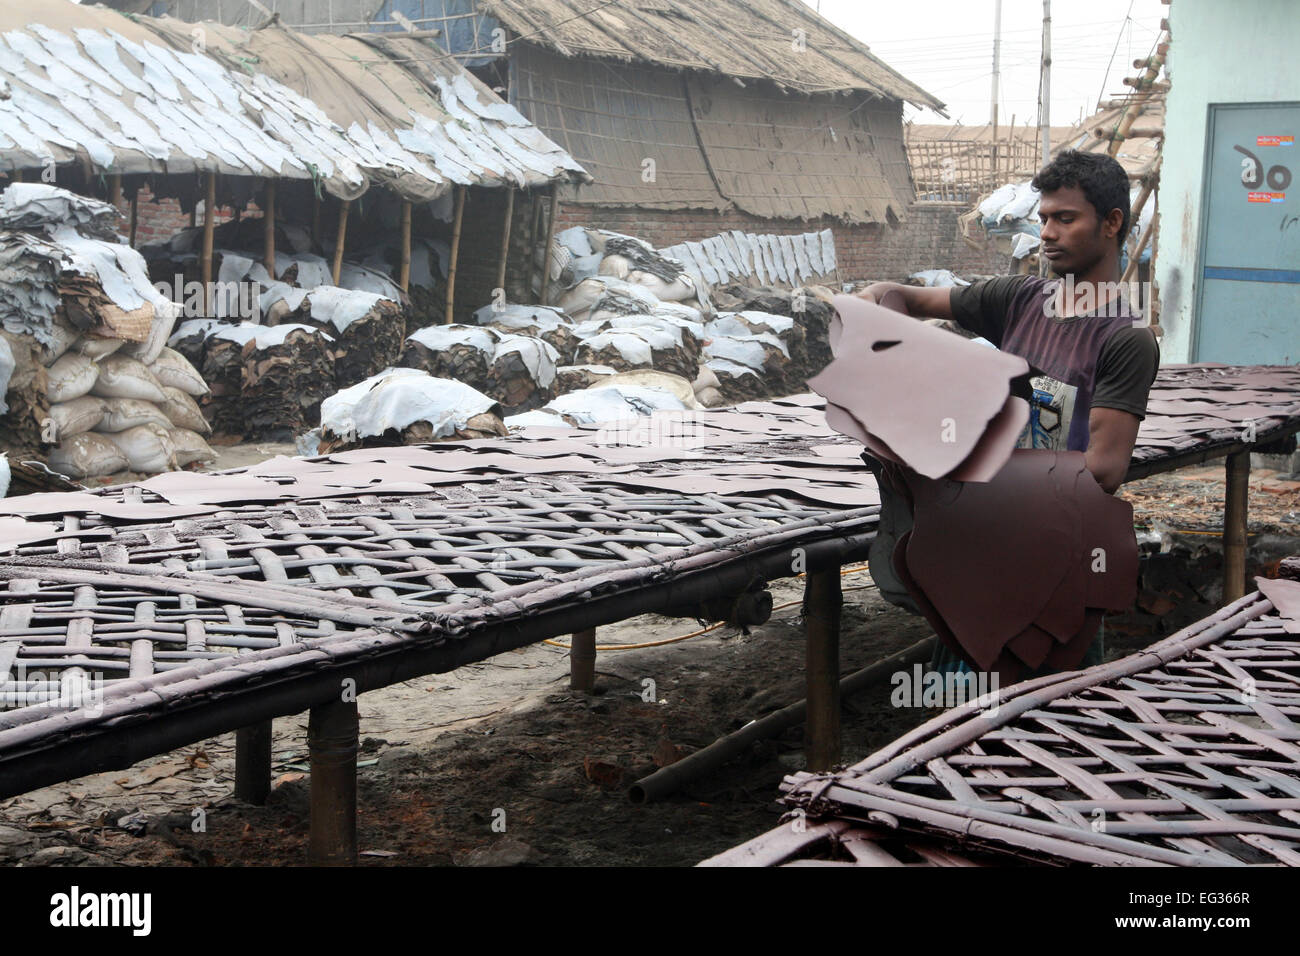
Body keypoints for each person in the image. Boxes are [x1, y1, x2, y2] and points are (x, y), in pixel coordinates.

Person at [857, 150, 1160, 675]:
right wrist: (876, 314)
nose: (1047, 233)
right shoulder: (1016, 299)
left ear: (1112, 223)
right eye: (1043, 218)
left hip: (1057, 564)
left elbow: (1106, 468)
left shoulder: (1125, 339)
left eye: (1066, 219)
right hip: (983, 547)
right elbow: (903, 298)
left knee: (1049, 717)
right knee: (960, 710)